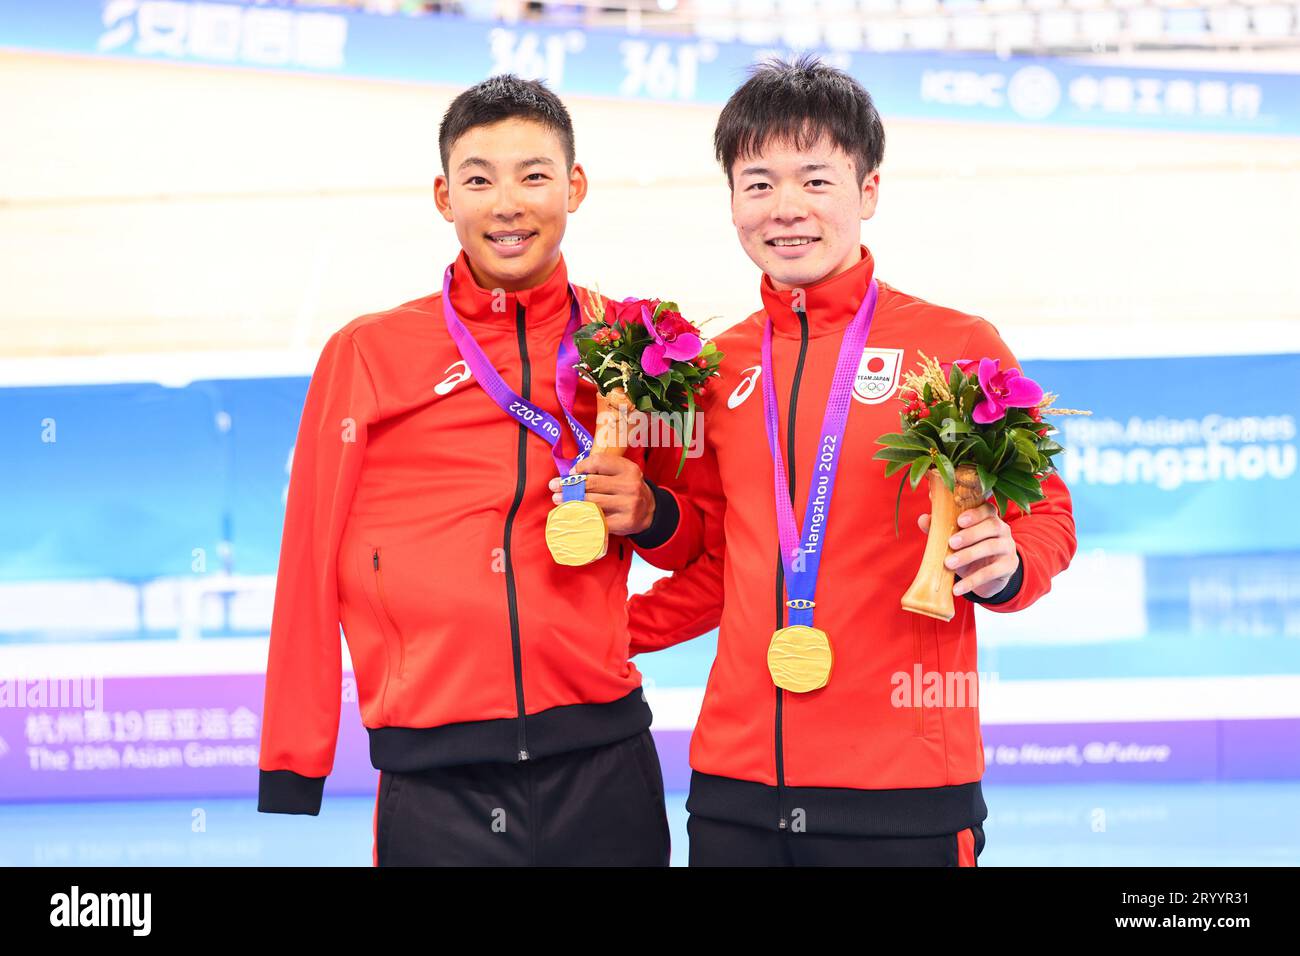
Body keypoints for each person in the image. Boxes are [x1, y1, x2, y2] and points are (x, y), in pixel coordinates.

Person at [628, 55, 1078, 867]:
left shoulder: (956, 347)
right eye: (758, 183)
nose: (786, 209)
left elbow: (1045, 515)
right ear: (731, 199)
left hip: (904, 788)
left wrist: (1010, 566)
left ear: (868, 191)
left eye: (816, 180)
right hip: (737, 788)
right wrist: (602, 631)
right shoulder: (715, 367)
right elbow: (715, 558)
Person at [257, 74, 704, 866]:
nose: (508, 203)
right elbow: (307, 557)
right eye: (478, 178)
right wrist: (295, 758)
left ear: (575, 186)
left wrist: (650, 524)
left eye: (534, 175)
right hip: (436, 783)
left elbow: (706, 548)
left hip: (605, 764)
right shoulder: (367, 354)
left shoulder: (639, 348)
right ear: (442, 195)